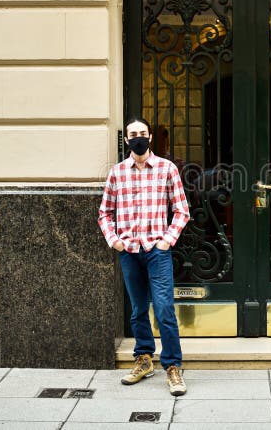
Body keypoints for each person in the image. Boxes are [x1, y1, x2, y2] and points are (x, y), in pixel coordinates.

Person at [98, 117, 191, 396]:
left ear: (150, 137)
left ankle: (173, 367)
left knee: (163, 309)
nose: (137, 137)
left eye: (142, 133)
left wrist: (166, 241)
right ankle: (144, 359)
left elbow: (182, 210)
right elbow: (105, 212)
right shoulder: (117, 173)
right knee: (138, 310)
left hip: (156, 252)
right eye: (132, 134)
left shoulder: (167, 169)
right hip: (129, 252)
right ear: (126, 139)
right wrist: (115, 242)